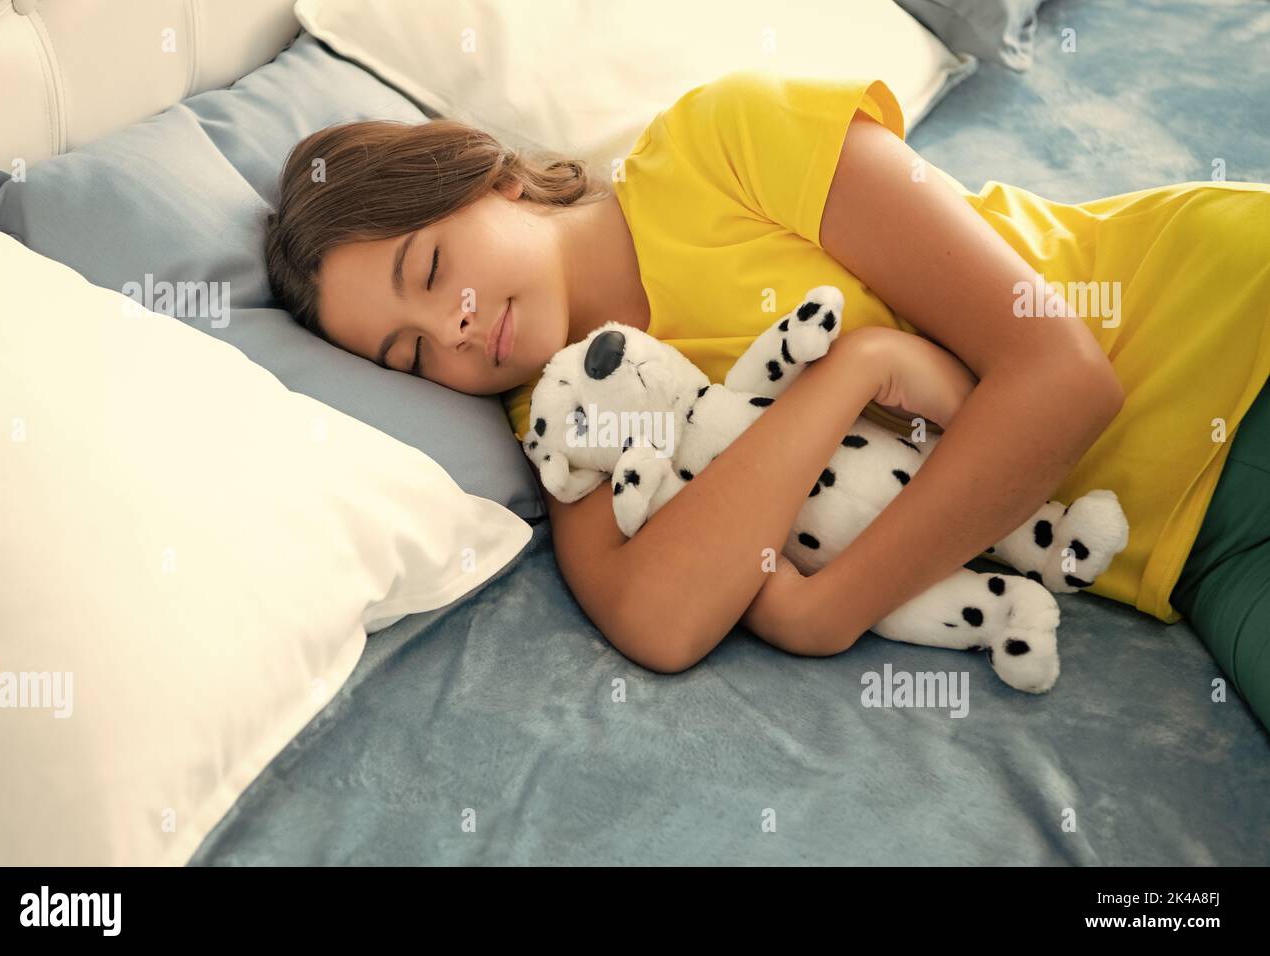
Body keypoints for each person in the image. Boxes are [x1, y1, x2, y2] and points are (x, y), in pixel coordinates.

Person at [264, 70, 1270, 732]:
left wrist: (823, 609)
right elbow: (660, 620)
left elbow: (1063, 379)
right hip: (1179, 555)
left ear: (498, 181)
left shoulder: (721, 141)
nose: (453, 328)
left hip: (1223, 331)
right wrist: (851, 372)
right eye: (409, 353)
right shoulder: (563, 415)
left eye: (432, 268)